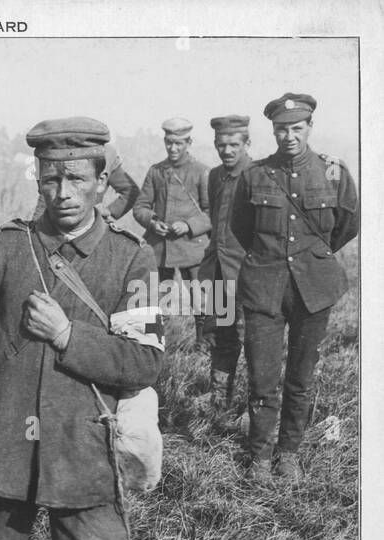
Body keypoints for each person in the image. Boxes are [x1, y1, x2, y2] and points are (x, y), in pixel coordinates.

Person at [0, 117, 163, 540]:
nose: (63, 192)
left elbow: (144, 362)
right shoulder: (4, 247)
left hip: (86, 453)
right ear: (38, 178)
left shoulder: (133, 257)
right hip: (2, 445)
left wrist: (67, 336)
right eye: (51, 178)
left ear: (101, 182)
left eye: (77, 178)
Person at [231, 92, 359, 482]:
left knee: (301, 377)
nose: (289, 136)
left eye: (297, 129)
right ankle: (259, 456)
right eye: (281, 129)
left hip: (314, 290)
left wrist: (314, 258)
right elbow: (241, 227)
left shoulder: (333, 172)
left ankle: (289, 453)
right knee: (262, 377)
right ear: (273, 130)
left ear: (309, 128)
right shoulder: (254, 175)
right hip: (263, 289)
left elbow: (348, 223)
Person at [133, 118, 212, 344]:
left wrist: (189, 226)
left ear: (189, 142)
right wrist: (152, 221)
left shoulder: (202, 172)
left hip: (193, 249)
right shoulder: (156, 171)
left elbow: (212, 212)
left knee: (202, 300)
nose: (173, 148)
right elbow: (140, 206)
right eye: (169, 143)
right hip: (160, 249)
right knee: (154, 299)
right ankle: (155, 344)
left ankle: (204, 345)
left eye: (179, 143)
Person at [199, 115, 253, 410]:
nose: (227, 150)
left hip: (248, 274)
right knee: (222, 338)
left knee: (256, 344)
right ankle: (221, 407)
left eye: (234, 144)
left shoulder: (257, 174)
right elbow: (214, 220)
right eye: (222, 145)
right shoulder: (215, 176)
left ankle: (258, 412)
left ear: (247, 143)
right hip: (219, 274)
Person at [32, 140, 139, 222]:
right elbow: (44, 196)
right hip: (55, 225)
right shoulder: (53, 151)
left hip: (91, 226)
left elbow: (130, 190)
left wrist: (109, 211)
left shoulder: (106, 152)